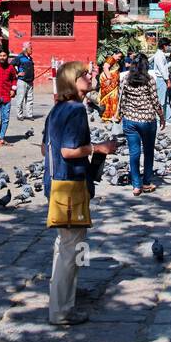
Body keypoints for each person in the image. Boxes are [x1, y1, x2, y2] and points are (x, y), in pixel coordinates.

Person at [43, 61, 118, 325]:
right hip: (70, 184)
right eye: (83, 75)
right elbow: (68, 150)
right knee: (72, 248)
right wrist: (99, 148)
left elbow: (46, 149)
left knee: (65, 244)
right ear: (73, 82)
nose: (89, 76)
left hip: (55, 181)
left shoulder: (56, 109)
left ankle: (67, 293)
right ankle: (62, 310)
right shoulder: (75, 110)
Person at [119, 53, 163, 196]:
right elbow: (155, 101)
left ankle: (136, 185)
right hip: (148, 120)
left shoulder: (126, 79)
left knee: (134, 153)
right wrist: (162, 116)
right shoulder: (149, 80)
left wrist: (119, 114)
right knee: (149, 151)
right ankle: (147, 182)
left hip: (130, 120)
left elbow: (121, 98)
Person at [152, 37, 171, 124]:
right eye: (168, 45)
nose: (169, 47)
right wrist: (167, 80)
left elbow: (164, 67)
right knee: (161, 101)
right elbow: (162, 69)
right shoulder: (159, 55)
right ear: (164, 46)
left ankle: (168, 119)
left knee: (166, 100)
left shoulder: (161, 54)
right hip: (161, 79)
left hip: (163, 79)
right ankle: (158, 119)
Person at [14, 42, 36, 120]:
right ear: (26, 49)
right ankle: (19, 115)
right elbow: (11, 65)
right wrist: (17, 74)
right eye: (30, 48)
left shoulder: (30, 58)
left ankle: (29, 115)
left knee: (30, 99)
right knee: (20, 99)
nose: (32, 49)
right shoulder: (19, 57)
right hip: (22, 81)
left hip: (30, 81)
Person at [97, 55, 121, 124]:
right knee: (109, 98)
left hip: (112, 83)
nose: (119, 58)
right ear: (114, 54)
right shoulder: (111, 58)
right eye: (118, 56)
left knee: (112, 99)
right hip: (109, 81)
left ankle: (110, 116)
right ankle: (107, 116)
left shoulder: (113, 59)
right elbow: (105, 67)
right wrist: (109, 78)